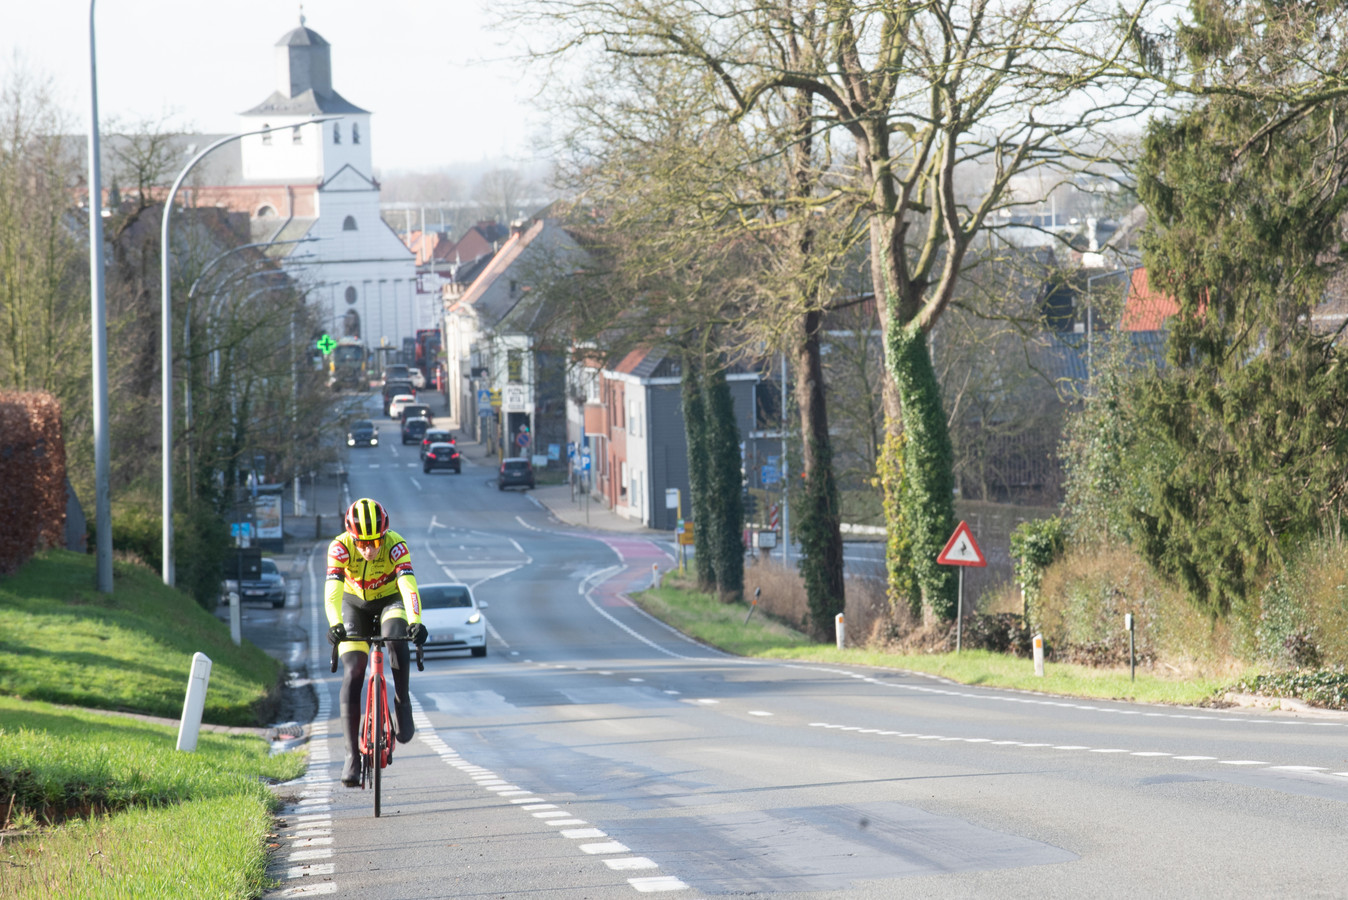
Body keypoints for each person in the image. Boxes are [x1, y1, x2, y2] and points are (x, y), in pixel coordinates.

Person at [325, 497, 428, 787]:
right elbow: (332, 593)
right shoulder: (339, 547)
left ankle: (402, 703)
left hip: (389, 600)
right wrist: (334, 624)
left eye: (374, 542)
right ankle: (351, 756)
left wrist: (416, 621)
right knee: (354, 669)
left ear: (384, 535)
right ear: (352, 537)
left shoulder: (396, 545)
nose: (368, 549)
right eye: (362, 543)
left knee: (396, 638)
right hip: (353, 604)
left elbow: (409, 587)